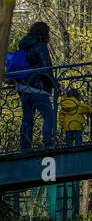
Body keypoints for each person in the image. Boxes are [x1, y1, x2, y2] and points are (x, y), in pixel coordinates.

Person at [13, 21, 57, 151]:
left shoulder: (24, 45)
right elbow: (45, 70)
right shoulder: (41, 46)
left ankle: (25, 147)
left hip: (23, 86)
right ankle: (48, 143)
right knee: (49, 115)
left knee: (27, 118)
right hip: (37, 88)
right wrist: (56, 85)